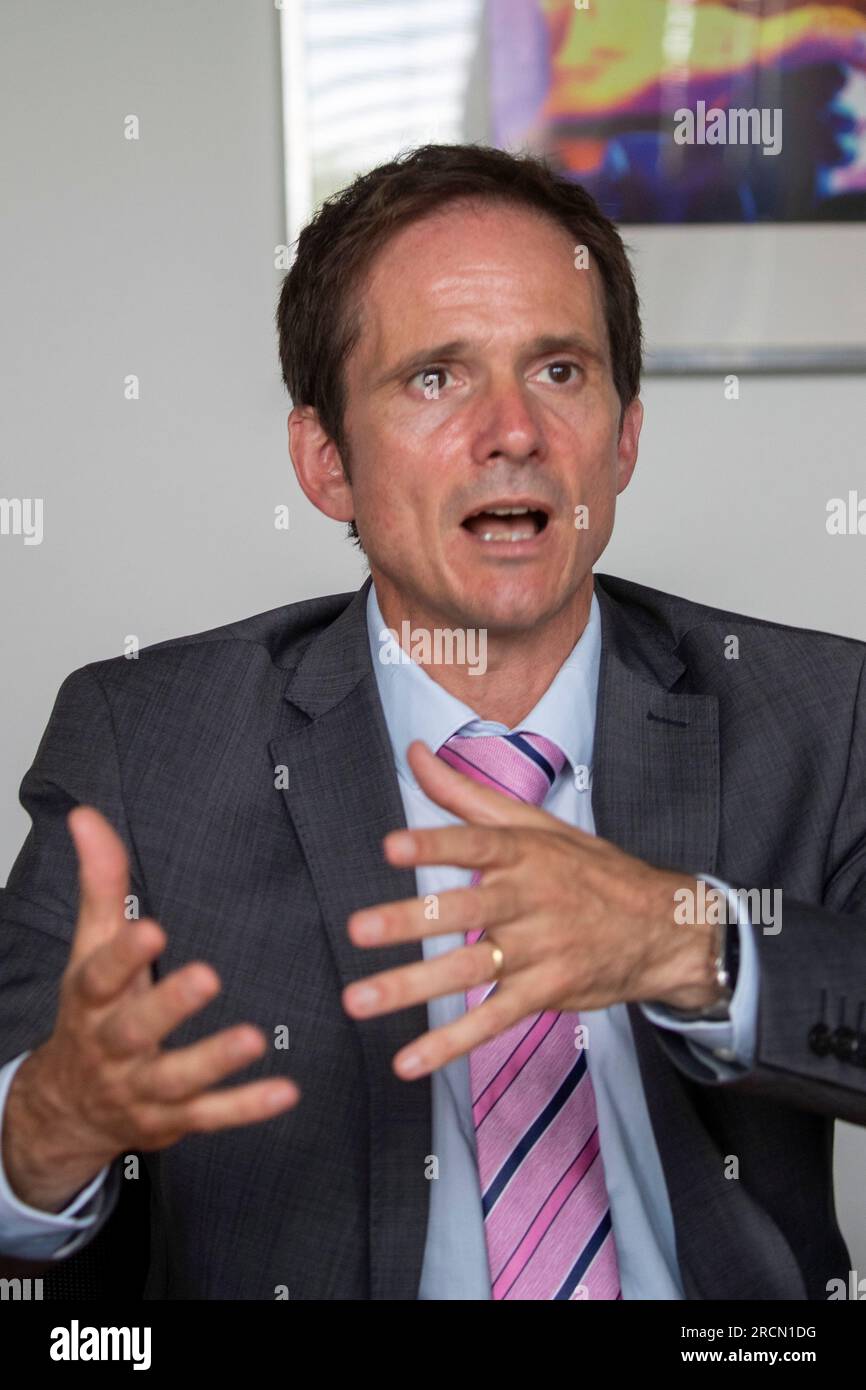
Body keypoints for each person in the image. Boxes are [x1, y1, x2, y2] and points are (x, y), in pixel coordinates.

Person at [0, 143, 864, 1300]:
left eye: (558, 370)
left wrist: (689, 942)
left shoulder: (814, 710)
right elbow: (22, 1119)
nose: (511, 431)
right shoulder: (147, 739)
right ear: (324, 462)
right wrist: (47, 1129)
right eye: (434, 378)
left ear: (623, 436)